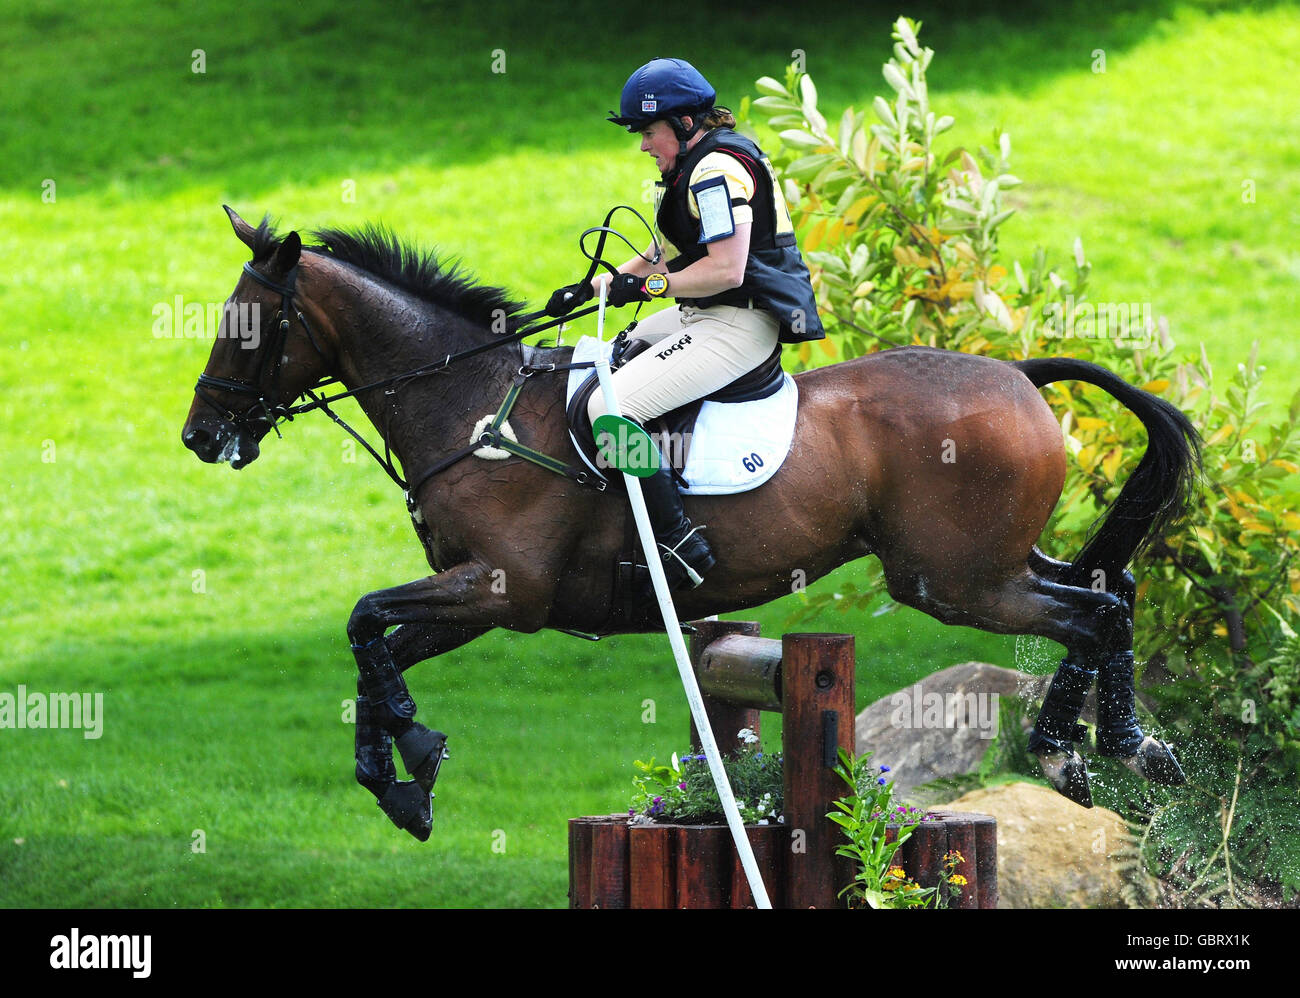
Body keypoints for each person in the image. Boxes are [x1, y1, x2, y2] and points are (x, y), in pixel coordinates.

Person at [546, 57, 824, 591]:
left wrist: (645, 288)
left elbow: (725, 270)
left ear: (685, 124)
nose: (643, 146)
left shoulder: (716, 172)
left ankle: (677, 542)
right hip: (705, 312)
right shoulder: (692, 166)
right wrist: (594, 287)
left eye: (648, 132)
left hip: (739, 324)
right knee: (607, 357)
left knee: (610, 407)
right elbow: (664, 254)